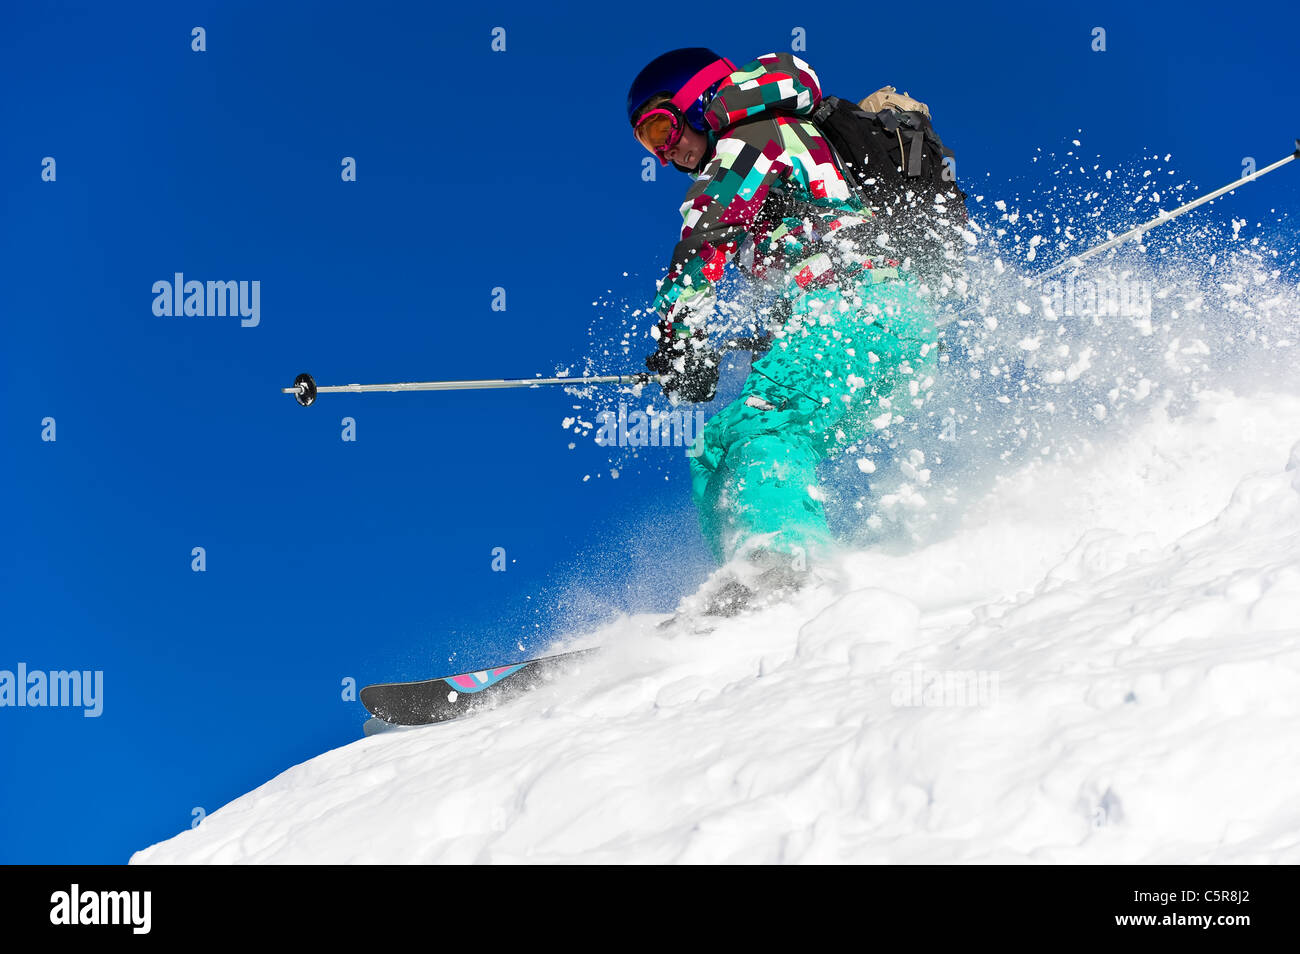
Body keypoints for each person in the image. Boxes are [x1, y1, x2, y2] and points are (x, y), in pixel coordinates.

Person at [628, 48, 942, 611]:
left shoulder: (750, 140)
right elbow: (804, 248)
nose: (664, 150)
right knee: (715, 448)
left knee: (761, 431)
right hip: (863, 317)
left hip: (859, 307)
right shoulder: (778, 141)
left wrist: (678, 336)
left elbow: (706, 238)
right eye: (648, 143)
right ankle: (748, 572)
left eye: (661, 126)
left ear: (698, 102)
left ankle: (785, 574)